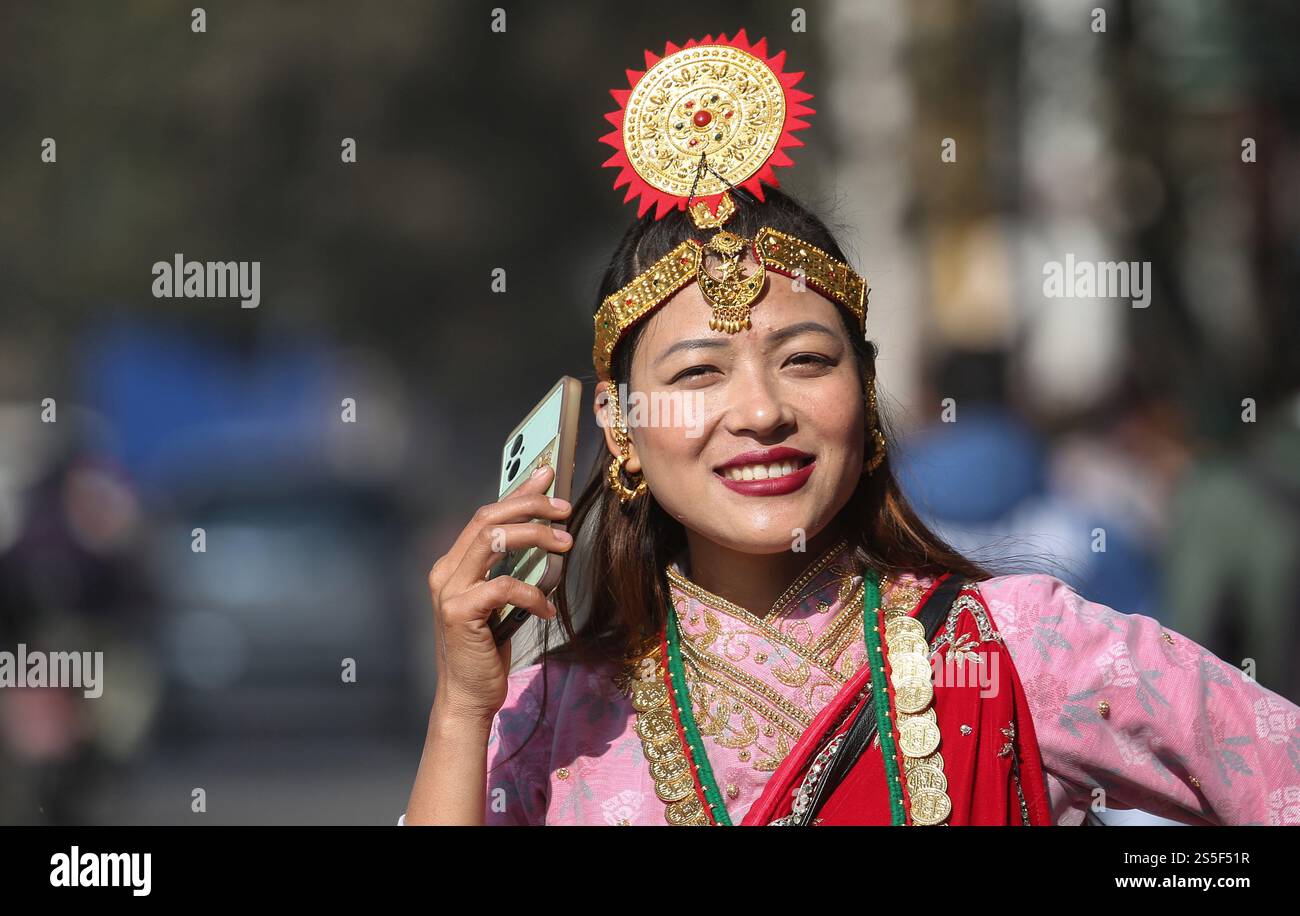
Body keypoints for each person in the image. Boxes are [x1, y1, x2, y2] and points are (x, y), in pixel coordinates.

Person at [403, 30, 1300, 826]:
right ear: (621, 425)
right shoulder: (549, 719)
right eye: (698, 374)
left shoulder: (1023, 650)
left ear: (865, 393)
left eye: (805, 361)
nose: (760, 413)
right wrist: (459, 712)